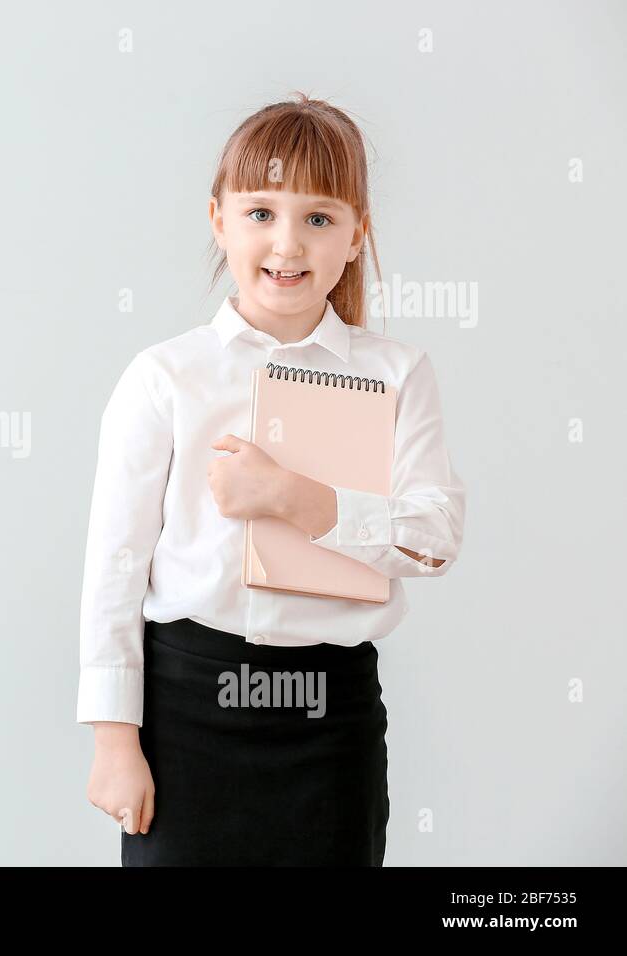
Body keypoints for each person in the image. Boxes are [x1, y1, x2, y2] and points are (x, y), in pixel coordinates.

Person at [77, 93, 467, 866]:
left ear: (357, 236)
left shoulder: (398, 375)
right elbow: (115, 566)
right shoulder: (165, 377)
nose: (288, 244)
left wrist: (297, 500)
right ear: (219, 219)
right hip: (188, 711)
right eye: (261, 212)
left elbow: (434, 540)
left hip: (332, 720)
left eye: (319, 219)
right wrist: (115, 739)